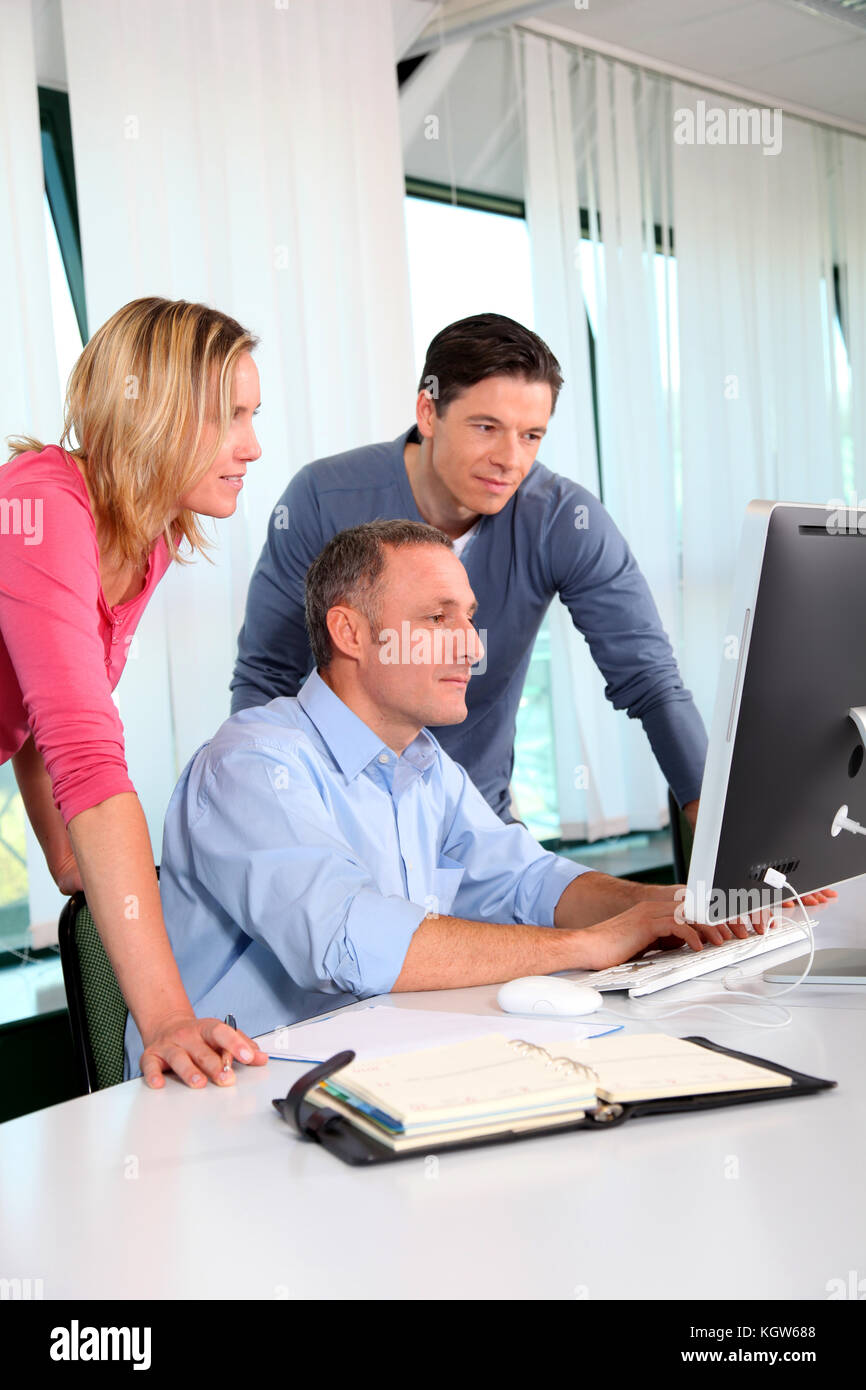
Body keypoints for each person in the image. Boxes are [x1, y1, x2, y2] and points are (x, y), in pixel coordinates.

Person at [125, 520, 751, 1076]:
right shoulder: (253, 763)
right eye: (437, 619)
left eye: (469, 618)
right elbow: (344, 940)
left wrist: (663, 906)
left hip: (377, 1068)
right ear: (350, 632)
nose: (472, 647)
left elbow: (527, 882)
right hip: (236, 1095)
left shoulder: (424, 763)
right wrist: (588, 946)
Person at [231, 313, 707, 827]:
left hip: (477, 826)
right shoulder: (323, 498)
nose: (510, 460)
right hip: (335, 816)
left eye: (531, 435)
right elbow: (267, 675)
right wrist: (265, 819)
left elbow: (650, 681)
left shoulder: (563, 520)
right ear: (428, 412)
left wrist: (720, 833)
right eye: (486, 428)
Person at [1, 297, 268, 1089]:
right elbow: (87, 750)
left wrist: (67, 856)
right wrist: (169, 1020)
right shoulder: (42, 507)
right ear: (152, 413)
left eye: (253, 416)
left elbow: (49, 711)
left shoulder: (147, 537)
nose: (252, 447)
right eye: (228, 417)